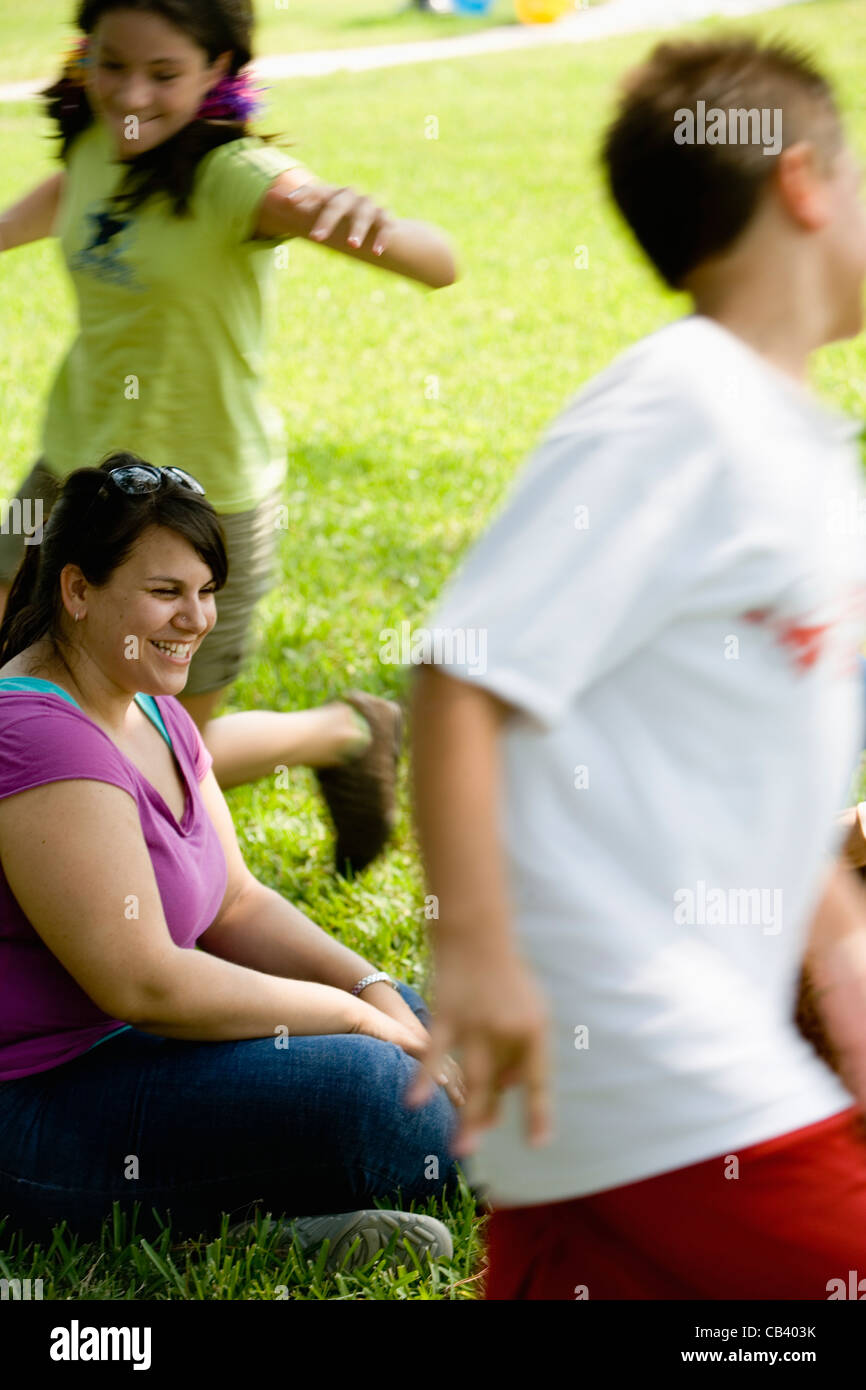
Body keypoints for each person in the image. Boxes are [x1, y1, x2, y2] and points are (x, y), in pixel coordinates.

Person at [407, 35, 866, 1299]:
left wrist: (838, 949)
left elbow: (742, 752)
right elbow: (460, 671)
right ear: (802, 185)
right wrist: (478, 956)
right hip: (646, 1049)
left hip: (617, 1082)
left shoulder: (797, 444)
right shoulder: (681, 403)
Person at [0, 0, 458, 874]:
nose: (130, 93)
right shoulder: (95, 146)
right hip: (72, 471)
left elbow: (437, 261)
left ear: (218, 71)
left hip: (196, 501)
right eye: (110, 62)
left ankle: (344, 733)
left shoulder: (236, 179)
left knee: (166, 758)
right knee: (14, 698)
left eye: (163, 74)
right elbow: (53, 205)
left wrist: (362, 215)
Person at [0, 454, 464, 1264]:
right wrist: (358, 1023)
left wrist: (375, 989)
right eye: (166, 592)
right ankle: (233, 1224)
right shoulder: (36, 733)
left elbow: (237, 904)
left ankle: (251, 1216)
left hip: (135, 1050)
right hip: (37, 1113)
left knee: (433, 1028)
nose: (197, 618)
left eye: (207, 590)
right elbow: (142, 979)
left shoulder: (148, 700)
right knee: (384, 1094)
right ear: (77, 590)